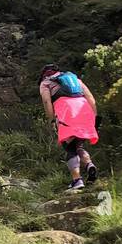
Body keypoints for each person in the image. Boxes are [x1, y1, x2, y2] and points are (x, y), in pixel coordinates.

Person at [38, 62, 98, 191]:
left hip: (66, 112)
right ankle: (89, 164)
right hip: (84, 109)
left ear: (44, 74)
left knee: (70, 148)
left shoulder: (45, 83)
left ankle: (77, 180)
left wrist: (52, 120)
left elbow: (47, 101)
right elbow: (90, 97)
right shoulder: (74, 79)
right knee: (78, 145)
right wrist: (94, 117)